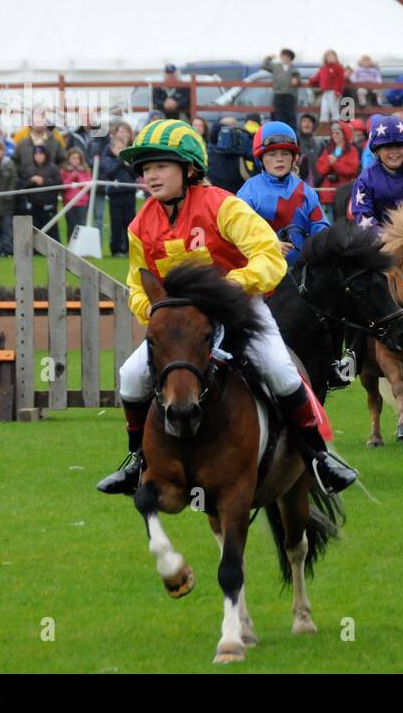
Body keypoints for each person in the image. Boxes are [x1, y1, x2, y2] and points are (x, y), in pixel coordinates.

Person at [95, 119, 357, 498]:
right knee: (131, 375)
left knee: (282, 371)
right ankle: (137, 460)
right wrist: (154, 311)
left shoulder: (224, 205)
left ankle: (319, 458)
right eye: (145, 168)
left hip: (239, 308)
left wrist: (230, 287)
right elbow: (137, 283)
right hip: (182, 322)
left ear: (189, 169)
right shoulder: (140, 225)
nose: (150, 175)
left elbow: (269, 255)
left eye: (160, 166)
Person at [237, 121, 329, 266]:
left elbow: (321, 228)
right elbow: (239, 232)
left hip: (301, 276)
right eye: (272, 154)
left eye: (285, 153)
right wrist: (268, 246)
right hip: (261, 274)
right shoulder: (249, 191)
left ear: (293, 158)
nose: (279, 159)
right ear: (260, 158)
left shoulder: (306, 191)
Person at [99, 123, 139, 257]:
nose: (120, 150)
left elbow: (135, 174)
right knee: (116, 222)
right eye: (117, 148)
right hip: (115, 194)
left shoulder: (130, 157)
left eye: (122, 148)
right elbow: (109, 172)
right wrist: (120, 161)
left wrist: (126, 164)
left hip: (129, 192)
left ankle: (128, 249)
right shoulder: (109, 157)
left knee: (129, 222)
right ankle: (115, 249)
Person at [315, 122, 361, 215]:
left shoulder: (352, 150)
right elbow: (321, 169)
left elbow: (352, 170)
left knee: (343, 221)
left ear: (344, 134)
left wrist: (335, 164)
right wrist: (329, 163)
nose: (334, 135)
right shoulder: (328, 149)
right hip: (328, 193)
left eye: (337, 133)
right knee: (329, 223)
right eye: (333, 133)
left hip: (345, 193)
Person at [20, 145, 63, 241]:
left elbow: (59, 184)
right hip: (33, 206)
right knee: (34, 229)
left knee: (51, 229)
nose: (38, 156)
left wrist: (44, 181)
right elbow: (22, 186)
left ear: (46, 154)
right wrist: (31, 181)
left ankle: (54, 249)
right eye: (36, 154)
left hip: (49, 205)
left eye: (41, 154)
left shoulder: (53, 168)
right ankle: (35, 250)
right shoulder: (29, 169)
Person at [60, 147, 93, 242]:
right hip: (69, 202)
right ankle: (70, 245)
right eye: (73, 158)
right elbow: (63, 186)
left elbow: (87, 185)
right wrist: (71, 177)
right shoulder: (64, 170)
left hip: (82, 202)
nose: (75, 160)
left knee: (81, 225)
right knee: (71, 225)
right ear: (69, 159)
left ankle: (80, 246)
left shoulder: (85, 170)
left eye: (77, 158)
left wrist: (78, 177)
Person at [262, 48, 301, 126]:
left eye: (287, 57)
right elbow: (265, 65)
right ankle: (280, 132)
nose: (285, 58)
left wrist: (296, 79)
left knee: (290, 116)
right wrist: (269, 57)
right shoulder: (276, 66)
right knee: (279, 115)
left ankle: (291, 134)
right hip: (278, 94)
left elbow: (298, 77)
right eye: (283, 56)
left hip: (290, 95)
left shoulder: (293, 69)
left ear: (290, 58)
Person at [309, 50, 347, 126]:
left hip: (334, 92)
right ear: (325, 58)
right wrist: (310, 80)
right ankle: (324, 131)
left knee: (334, 111)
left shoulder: (338, 68)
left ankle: (337, 128)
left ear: (336, 57)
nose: (331, 58)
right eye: (329, 56)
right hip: (325, 92)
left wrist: (338, 91)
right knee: (324, 110)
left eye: (333, 56)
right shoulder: (323, 68)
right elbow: (317, 77)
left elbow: (340, 80)